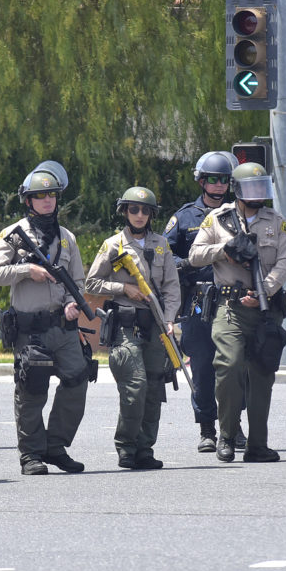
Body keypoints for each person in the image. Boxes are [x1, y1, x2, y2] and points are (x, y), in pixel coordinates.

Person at [0, 162, 89, 476]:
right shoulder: (13, 236)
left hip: (63, 326)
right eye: (40, 196)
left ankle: (55, 446)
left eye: (52, 196)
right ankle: (30, 454)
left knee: (78, 378)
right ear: (28, 201)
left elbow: (78, 281)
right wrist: (26, 270)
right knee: (32, 389)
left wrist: (73, 303)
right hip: (29, 330)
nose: (47, 201)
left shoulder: (67, 238)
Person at [189, 162, 286, 462]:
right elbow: (194, 255)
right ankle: (227, 435)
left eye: (263, 188)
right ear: (237, 190)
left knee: (262, 376)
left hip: (265, 310)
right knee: (229, 366)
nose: (259, 194)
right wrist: (225, 249)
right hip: (229, 308)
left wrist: (267, 290)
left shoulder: (276, 221)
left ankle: (258, 444)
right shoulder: (216, 219)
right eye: (252, 188)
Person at [85, 186, 181, 469]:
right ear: (125, 212)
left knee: (154, 387)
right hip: (126, 324)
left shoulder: (162, 244)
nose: (139, 215)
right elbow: (91, 283)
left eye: (145, 210)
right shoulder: (113, 245)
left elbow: (172, 287)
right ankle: (126, 446)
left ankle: (144, 448)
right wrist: (123, 288)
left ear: (151, 214)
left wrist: (170, 318)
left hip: (156, 324)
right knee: (135, 386)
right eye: (134, 209)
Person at [164, 150, 245, 452]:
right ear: (201, 181)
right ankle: (208, 430)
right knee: (203, 368)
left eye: (224, 180)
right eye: (212, 179)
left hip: (233, 299)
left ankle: (233, 427)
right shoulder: (184, 217)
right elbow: (163, 255)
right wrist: (185, 265)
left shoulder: (239, 214)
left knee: (236, 367)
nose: (219, 185)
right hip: (198, 301)